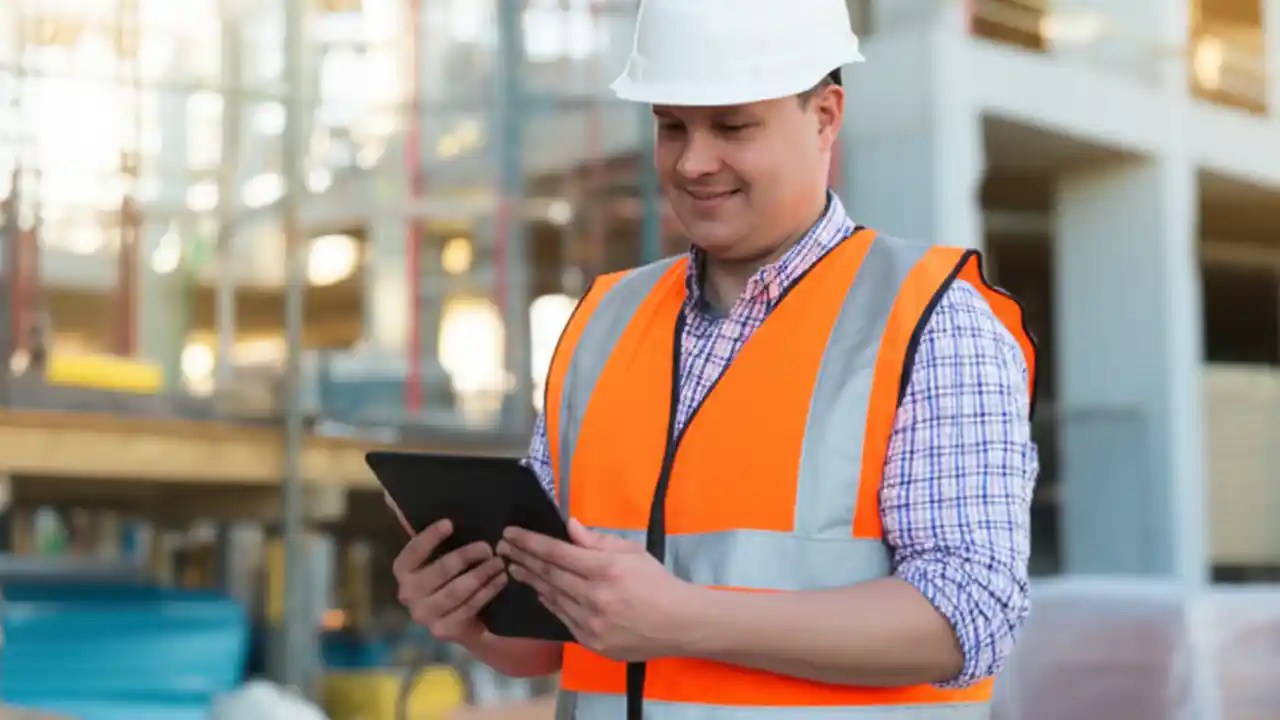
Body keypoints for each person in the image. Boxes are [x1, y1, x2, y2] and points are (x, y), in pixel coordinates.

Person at [391, 0, 1039, 717]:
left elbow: (972, 613)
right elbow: (549, 642)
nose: (694, 162)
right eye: (672, 126)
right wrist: (468, 615)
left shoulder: (931, 319)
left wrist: (684, 618)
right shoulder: (604, 323)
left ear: (825, 116)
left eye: (732, 125)